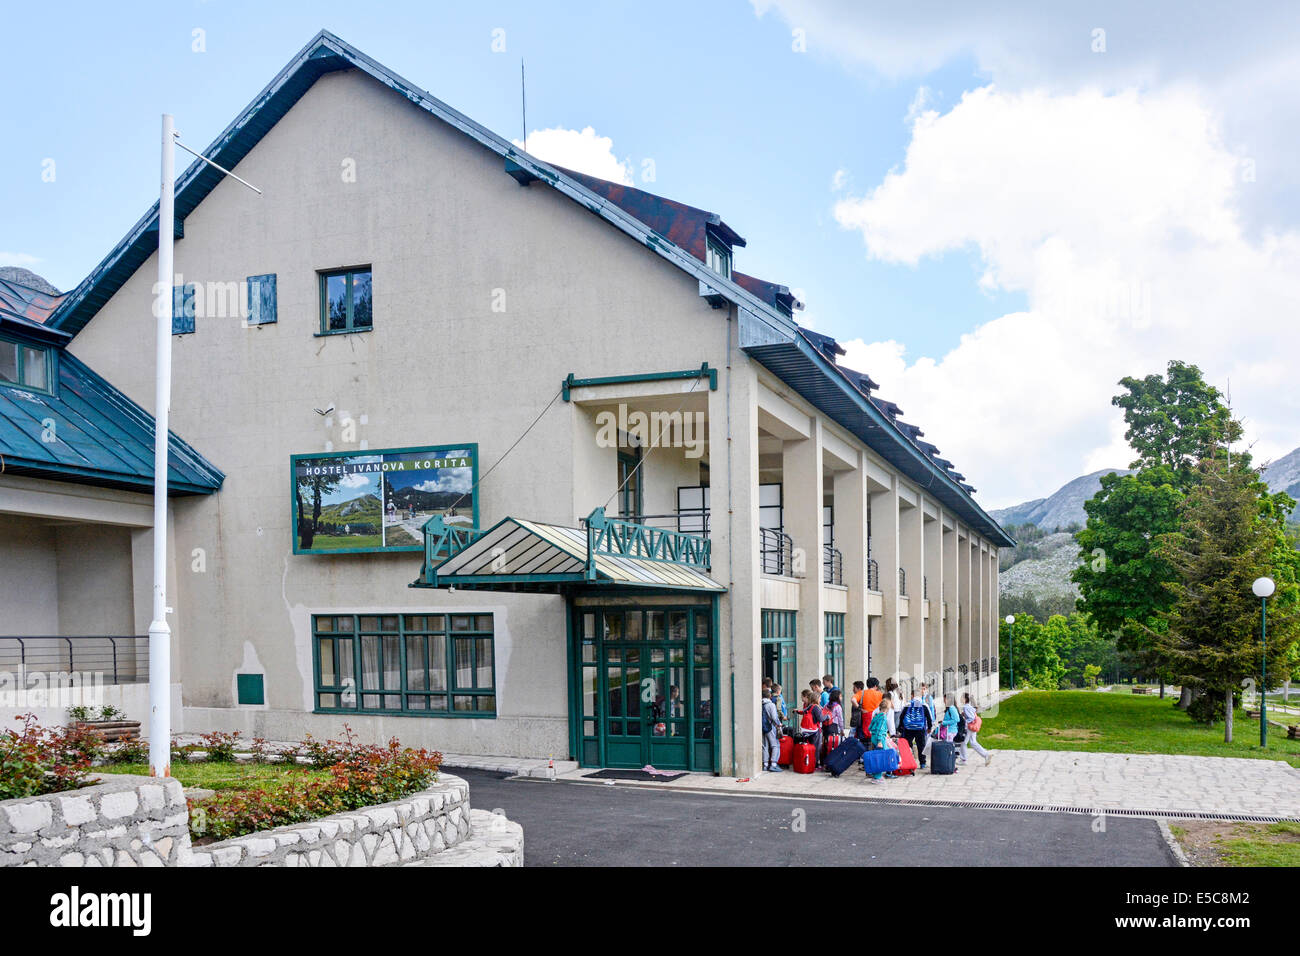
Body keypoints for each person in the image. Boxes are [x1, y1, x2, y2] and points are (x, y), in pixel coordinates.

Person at [897, 687, 932, 769]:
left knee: (907, 745)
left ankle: (908, 762)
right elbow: (929, 718)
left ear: (912, 695)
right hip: (920, 729)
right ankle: (922, 763)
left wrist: (901, 727)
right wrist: (929, 727)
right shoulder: (924, 705)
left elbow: (901, 717)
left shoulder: (907, 705)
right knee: (921, 745)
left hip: (908, 729)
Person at [959, 693, 993, 766]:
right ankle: (986, 755)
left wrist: (965, 721)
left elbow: (971, 717)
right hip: (973, 726)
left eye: (961, 698)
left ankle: (963, 759)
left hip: (969, 727)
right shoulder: (969, 706)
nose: (960, 699)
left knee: (963, 742)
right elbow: (975, 710)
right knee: (973, 742)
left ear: (965, 699)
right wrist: (964, 714)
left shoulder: (965, 707)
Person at [864, 698, 893, 784]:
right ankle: (877, 777)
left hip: (874, 737)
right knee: (880, 758)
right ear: (887, 709)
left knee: (877, 756)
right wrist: (880, 740)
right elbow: (880, 729)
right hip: (879, 739)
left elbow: (870, 727)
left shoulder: (877, 716)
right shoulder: (883, 717)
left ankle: (876, 775)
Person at [795, 689, 824, 763]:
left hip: (807, 729)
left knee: (810, 745)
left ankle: (808, 761)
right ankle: (814, 763)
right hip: (815, 730)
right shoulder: (816, 707)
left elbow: (804, 711)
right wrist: (827, 717)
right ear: (817, 699)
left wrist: (797, 711)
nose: (820, 700)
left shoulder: (810, 706)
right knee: (816, 747)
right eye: (820, 699)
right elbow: (820, 719)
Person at [761, 687, 784, 772]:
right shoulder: (771, 705)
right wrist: (779, 724)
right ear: (770, 696)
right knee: (775, 745)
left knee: (765, 746)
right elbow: (774, 717)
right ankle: (773, 764)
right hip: (770, 727)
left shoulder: (759, 704)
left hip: (762, 728)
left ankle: (765, 764)